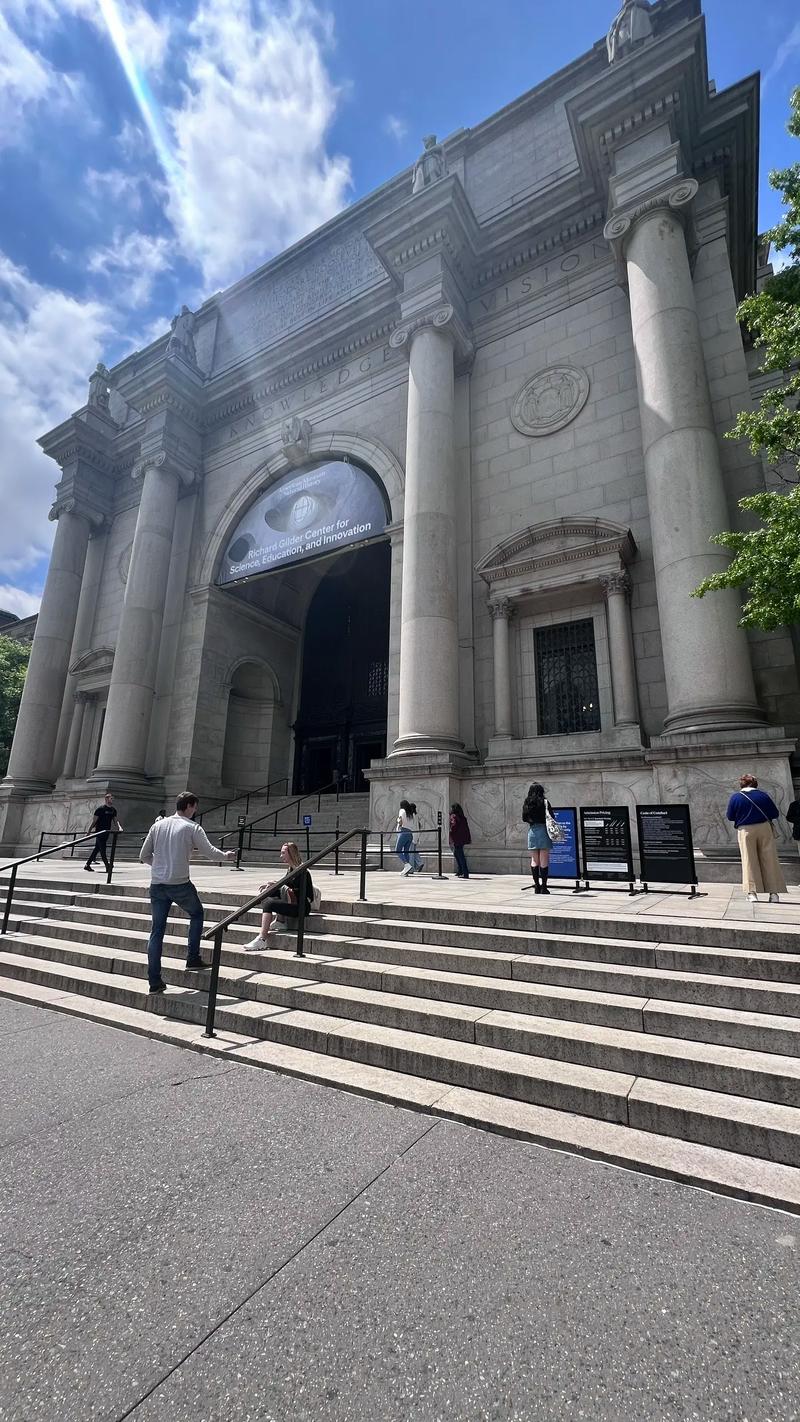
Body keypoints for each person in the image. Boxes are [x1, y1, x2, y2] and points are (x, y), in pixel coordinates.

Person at [139, 791, 235, 993]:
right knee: (197, 913)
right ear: (190, 806)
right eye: (194, 807)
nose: (195, 812)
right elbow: (210, 852)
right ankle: (192, 957)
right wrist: (227, 856)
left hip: (157, 884)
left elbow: (143, 855)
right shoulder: (192, 827)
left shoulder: (158, 825)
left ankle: (154, 981)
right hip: (179, 884)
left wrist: (160, 867)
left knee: (156, 931)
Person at [725, 774, 787, 904]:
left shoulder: (736, 797)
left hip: (746, 830)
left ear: (741, 784)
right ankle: (774, 894)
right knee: (770, 859)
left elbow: (730, 816)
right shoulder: (763, 795)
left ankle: (752, 893)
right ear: (755, 784)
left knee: (749, 860)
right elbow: (774, 813)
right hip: (764, 828)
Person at [245, 842, 316, 949]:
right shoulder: (291, 869)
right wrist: (273, 885)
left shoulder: (303, 871)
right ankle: (281, 921)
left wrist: (279, 885)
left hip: (302, 907)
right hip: (293, 902)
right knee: (268, 892)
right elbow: (285, 885)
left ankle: (262, 939)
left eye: (283, 853)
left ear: (291, 854)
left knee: (269, 904)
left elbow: (303, 894)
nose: (281, 856)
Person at [522, 783, 553, 894]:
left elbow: (524, 818)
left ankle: (536, 886)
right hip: (544, 831)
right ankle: (544, 887)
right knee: (544, 860)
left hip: (533, 831)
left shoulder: (527, 803)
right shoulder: (545, 802)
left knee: (534, 860)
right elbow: (552, 816)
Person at [84, 792, 122, 873]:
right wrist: (89, 831)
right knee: (102, 849)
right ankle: (107, 865)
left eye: (112, 799)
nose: (112, 800)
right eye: (111, 798)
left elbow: (115, 821)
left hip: (106, 832)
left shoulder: (113, 810)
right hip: (99, 832)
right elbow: (94, 822)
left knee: (97, 848)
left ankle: (87, 865)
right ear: (106, 799)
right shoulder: (100, 809)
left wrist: (118, 827)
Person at [395, 799, 424, 876]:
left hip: (404, 832)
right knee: (406, 852)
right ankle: (407, 870)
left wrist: (398, 822)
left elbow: (400, 820)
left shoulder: (402, 811)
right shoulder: (411, 814)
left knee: (397, 850)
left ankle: (406, 865)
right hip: (410, 834)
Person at [449, 804, 471, 879]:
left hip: (458, 838)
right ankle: (461, 871)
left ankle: (464, 872)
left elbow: (453, 827)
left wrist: (450, 831)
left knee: (460, 855)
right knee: (457, 853)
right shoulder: (462, 817)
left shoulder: (454, 816)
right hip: (462, 838)